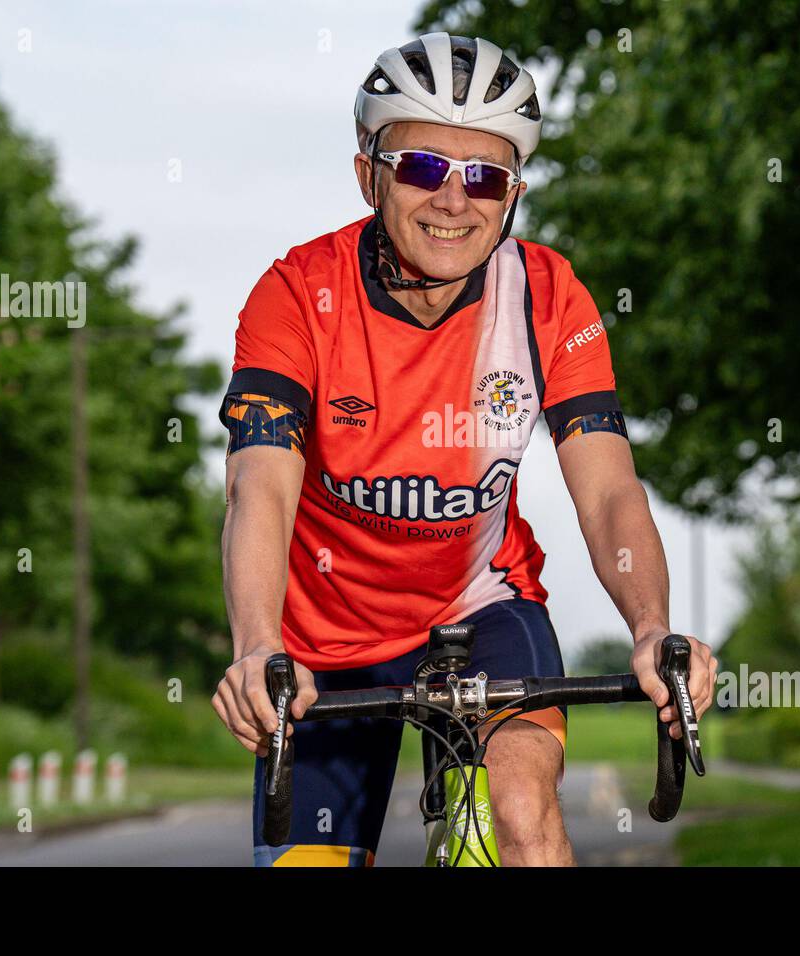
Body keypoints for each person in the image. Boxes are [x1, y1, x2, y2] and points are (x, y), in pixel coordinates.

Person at [212, 32, 717, 867]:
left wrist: (650, 625)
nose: (454, 200)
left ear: (512, 192)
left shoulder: (548, 295)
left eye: (483, 176)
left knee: (518, 811)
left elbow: (608, 492)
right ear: (368, 174)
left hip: (481, 607)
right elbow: (258, 488)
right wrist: (257, 645)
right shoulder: (297, 293)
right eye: (421, 167)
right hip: (322, 638)